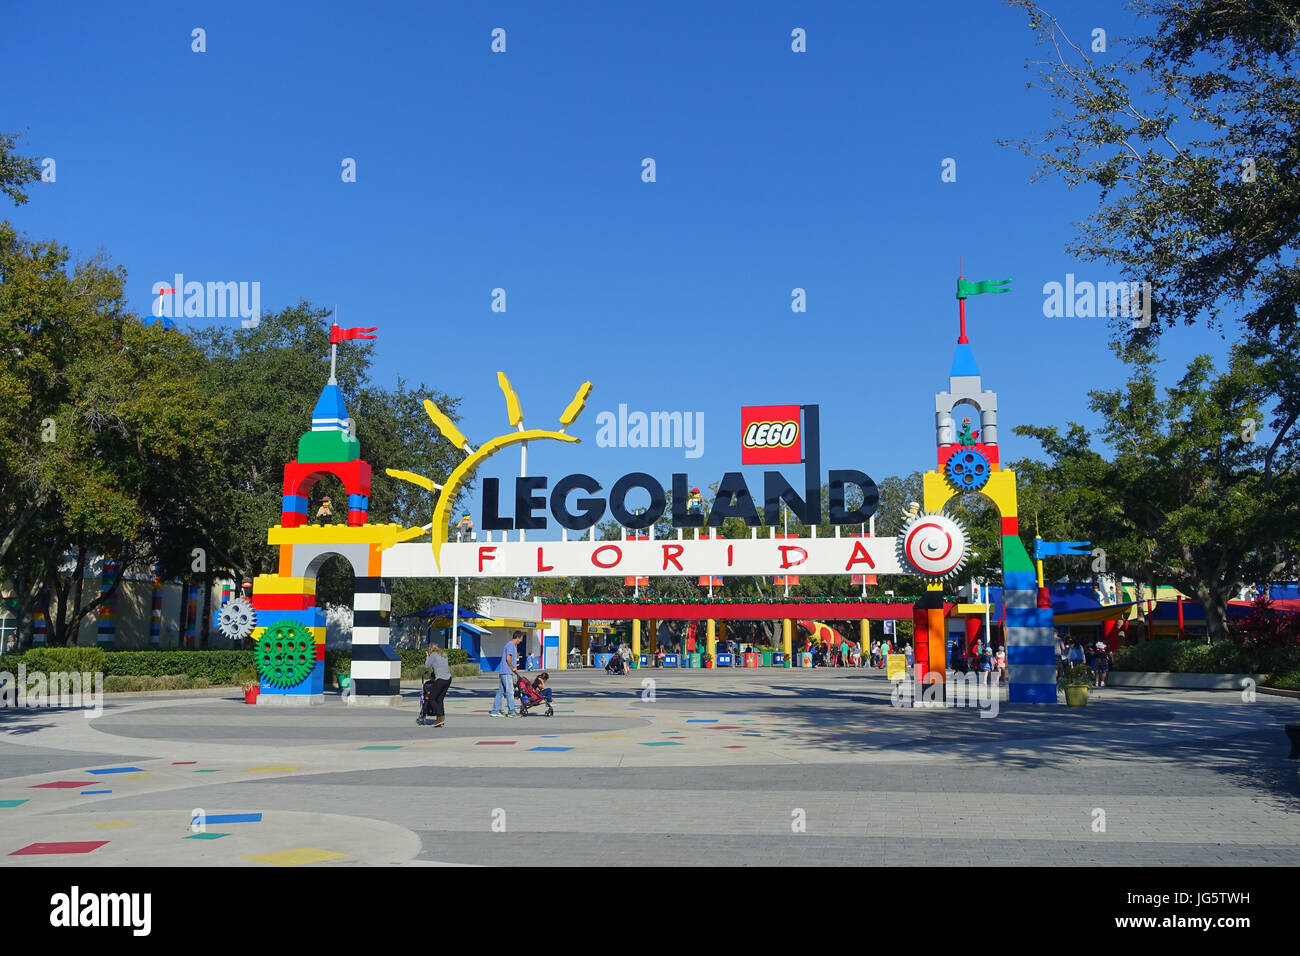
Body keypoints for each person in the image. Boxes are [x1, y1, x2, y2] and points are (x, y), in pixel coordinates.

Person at [491, 631, 523, 717]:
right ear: (518, 637)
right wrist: (512, 667)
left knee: (501, 692)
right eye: (521, 639)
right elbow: (508, 658)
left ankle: (495, 711)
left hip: (505, 672)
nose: (521, 641)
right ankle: (511, 711)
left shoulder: (512, 645)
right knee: (510, 691)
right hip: (506, 672)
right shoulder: (510, 645)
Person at [424, 644, 452, 727]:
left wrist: (427, 656)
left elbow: (427, 665)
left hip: (440, 679)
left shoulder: (432, 655)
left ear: (429, 650)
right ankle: (442, 717)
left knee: (431, 698)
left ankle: (439, 718)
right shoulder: (443, 654)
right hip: (448, 679)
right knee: (439, 699)